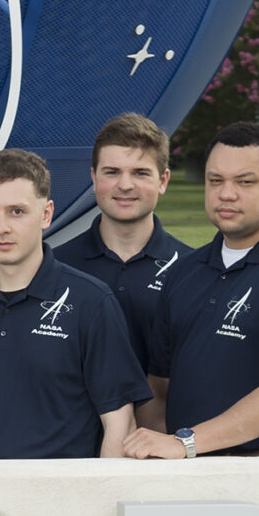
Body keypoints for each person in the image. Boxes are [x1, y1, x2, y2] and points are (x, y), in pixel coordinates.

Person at [128, 123, 259, 459]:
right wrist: (160, 457)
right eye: (216, 181)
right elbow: (159, 387)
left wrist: (184, 443)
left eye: (245, 181)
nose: (226, 194)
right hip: (188, 469)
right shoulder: (185, 271)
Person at [0, 148, 148, 459]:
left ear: (47, 214)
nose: (1, 227)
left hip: (59, 498)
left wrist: (98, 499)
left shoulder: (91, 302)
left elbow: (120, 423)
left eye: (17, 211)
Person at [51, 112, 193, 372]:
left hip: (166, 412)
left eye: (140, 173)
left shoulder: (193, 269)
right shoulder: (55, 265)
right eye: (112, 172)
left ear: (163, 181)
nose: (125, 185)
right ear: (94, 178)